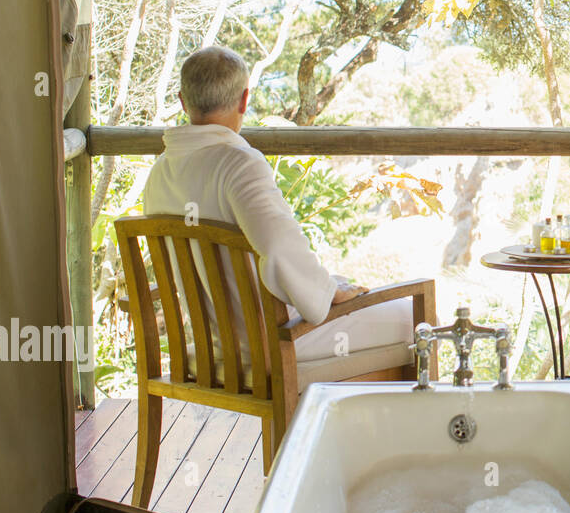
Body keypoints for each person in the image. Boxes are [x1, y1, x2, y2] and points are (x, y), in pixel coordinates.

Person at [142, 46, 413, 379]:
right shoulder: (238, 164)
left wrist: (326, 287)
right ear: (244, 100)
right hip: (267, 349)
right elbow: (280, 248)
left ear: (183, 101)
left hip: (208, 352)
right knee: (414, 316)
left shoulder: (158, 174)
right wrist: (328, 292)